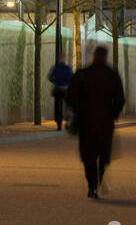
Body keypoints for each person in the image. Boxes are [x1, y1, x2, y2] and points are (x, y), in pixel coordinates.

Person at [65, 45, 127, 198]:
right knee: (103, 154)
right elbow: (120, 99)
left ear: (93, 56)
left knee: (88, 156)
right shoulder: (112, 75)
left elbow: (70, 96)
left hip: (86, 121)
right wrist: (113, 113)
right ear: (105, 57)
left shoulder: (83, 74)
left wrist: (77, 110)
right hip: (105, 121)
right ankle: (98, 180)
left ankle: (92, 185)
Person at [49, 57, 73, 131]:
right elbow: (72, 78)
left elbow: (50, 77)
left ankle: (59, 124)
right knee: (67, 106)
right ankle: (67, 122)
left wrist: (55, 82)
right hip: (66, 89)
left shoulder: (55, 67)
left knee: (58, 106)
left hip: (58, 89)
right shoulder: (67, 68)